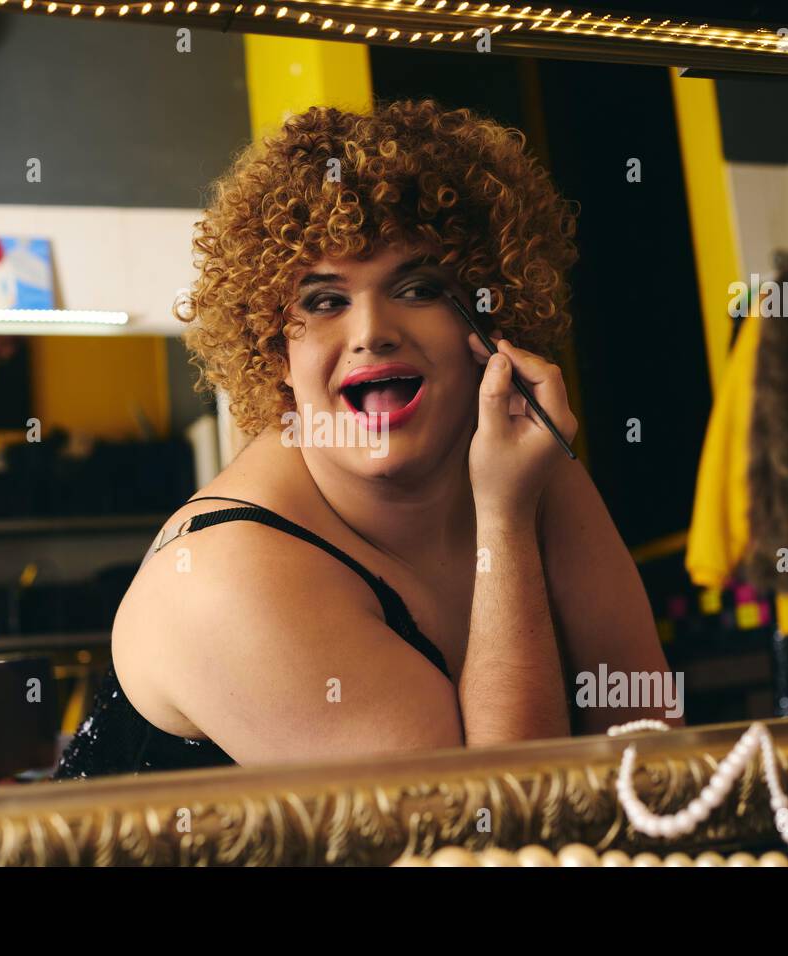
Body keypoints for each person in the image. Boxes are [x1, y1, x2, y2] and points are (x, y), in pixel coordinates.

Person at [54, 99, 676, 779]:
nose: (372, 329)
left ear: (491, 321)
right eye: (325, 300)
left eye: (418, 287)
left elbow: (648, 739)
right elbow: (496, 825)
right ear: (273, 351)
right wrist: (503, 520)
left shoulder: (532, 466)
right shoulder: (223, 577)